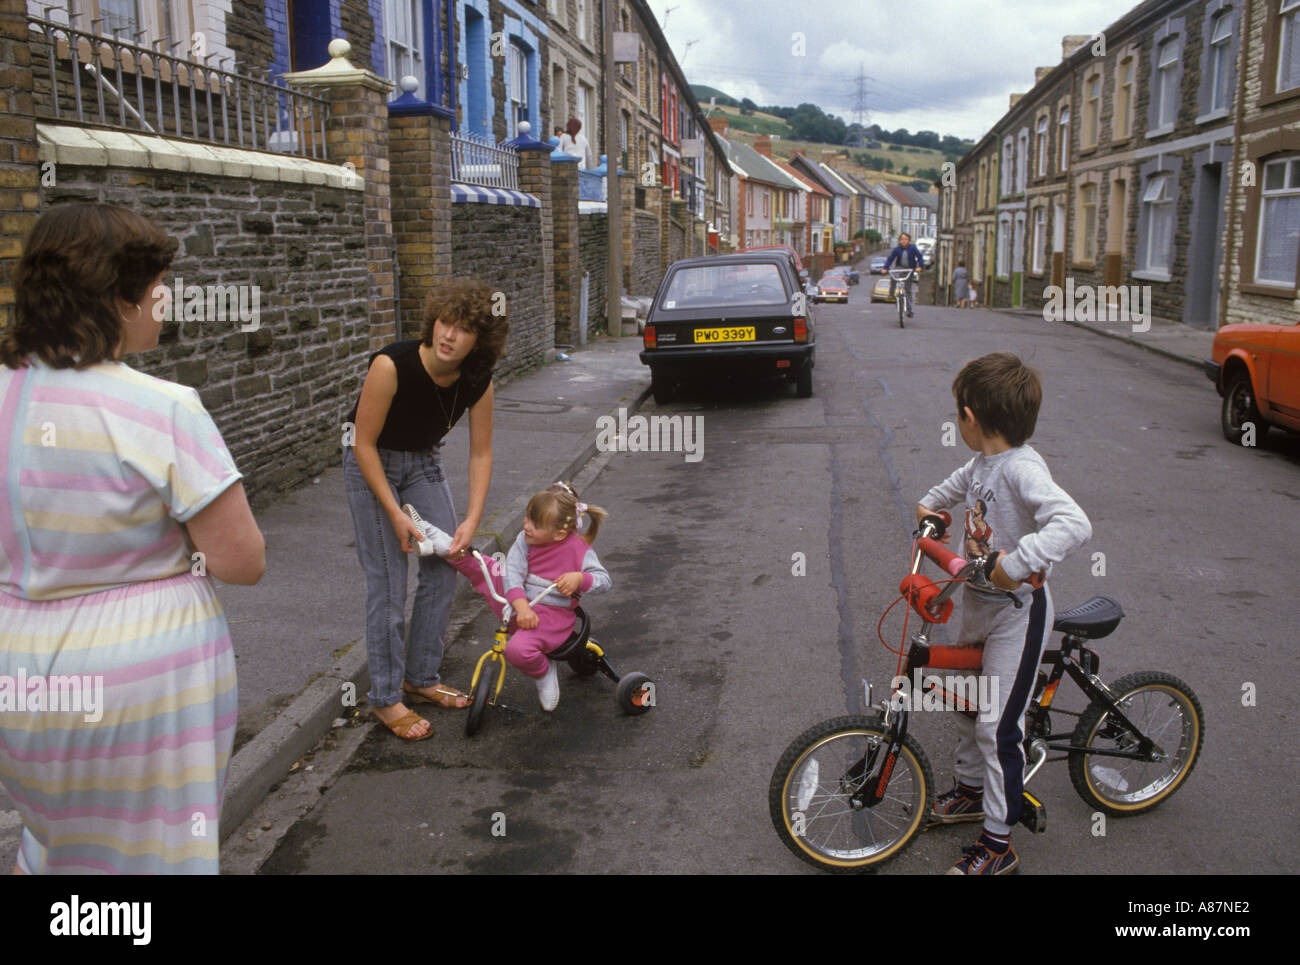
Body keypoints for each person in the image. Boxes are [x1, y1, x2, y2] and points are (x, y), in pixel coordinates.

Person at [0, 204, 266, 874]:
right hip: (139, 672)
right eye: (156, 285)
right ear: (117, 295)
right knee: (148, 855)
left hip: (14, 665)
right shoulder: (162, 408)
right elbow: (241, 560)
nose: (165, 298)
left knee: (56, 843)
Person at [915, 352, 1091, 875]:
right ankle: (971, 791)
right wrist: (929, 514)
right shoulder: (980, 464)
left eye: (956, 414)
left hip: (1018, 612)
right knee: (968, 706)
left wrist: (1014, 565)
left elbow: (1073, 524)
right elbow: (940, 496)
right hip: (978, 604)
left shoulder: (1021, 467)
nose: (955, 421)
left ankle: (998, 844)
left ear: (970, 417)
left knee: (996, 727)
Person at [343, 279, 508, 740]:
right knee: (388, 582)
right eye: (445, 322)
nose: (448, 334)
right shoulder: (390, 366)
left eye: (462, 329)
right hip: (372, 464)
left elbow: (480, 453)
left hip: (422, 463)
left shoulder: (478, 381)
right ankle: (385, 698)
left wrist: (472, 520)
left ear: (480, 342)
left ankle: (420, 679)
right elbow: (363, 442)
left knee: (444, 567)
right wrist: (394, 511)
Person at [406, 481, 610, 710]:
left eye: (534, 523)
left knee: (516, 650)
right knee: (480, 563)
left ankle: (543, 673)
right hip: (519, 596)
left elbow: (604, 581)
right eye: (527, 517)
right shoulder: (526, 539)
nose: (526, 525)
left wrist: (580, 579)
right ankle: (430, 535)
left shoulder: (579, 550)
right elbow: (512, 571)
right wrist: (521, 605)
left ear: (559, 533)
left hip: (550, 613)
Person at [883, 231, 925, 317]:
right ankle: (891, 293)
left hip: (910, 269)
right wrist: (885, 268)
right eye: (902, 239)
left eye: (906, 239)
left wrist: (920, 266)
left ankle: (910, 310)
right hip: (900, 268)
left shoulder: (913, 248)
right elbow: (890, 259)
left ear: (909, 240)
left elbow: (920, 257)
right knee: (893, 276)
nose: (904, 241)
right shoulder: (897, 249)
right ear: (899, 240)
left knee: (908, 290)